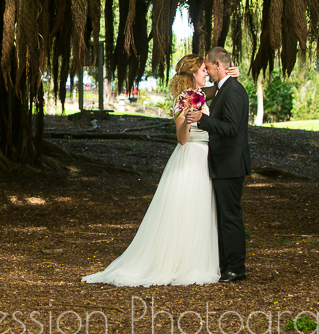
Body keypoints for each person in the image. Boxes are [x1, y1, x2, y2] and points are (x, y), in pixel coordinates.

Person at [81, 54, 236, 287]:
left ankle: (197, 257)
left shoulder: (201, 94)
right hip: (190, 155)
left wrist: (231, 76)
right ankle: (180, 262)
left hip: (206, 157)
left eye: (207, 69)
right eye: (203, 70)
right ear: (192, 74)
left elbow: (219, 89)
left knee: (200, 209)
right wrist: (188, 120)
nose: (206, 73)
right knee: (185, 209)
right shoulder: (182, 100)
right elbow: (181, 139)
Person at [186, 46, 251, 283]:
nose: (208, 71)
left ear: (218, 66)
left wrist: (204, 119)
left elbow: (232, 128)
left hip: (231, 164)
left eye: (208, 67)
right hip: (225, 163)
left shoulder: (233, 91)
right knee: (225, 216)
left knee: (230, 216)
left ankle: (236, 267)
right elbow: (206, 91)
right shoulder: (225, 88)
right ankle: (226, 265)